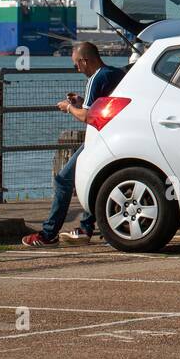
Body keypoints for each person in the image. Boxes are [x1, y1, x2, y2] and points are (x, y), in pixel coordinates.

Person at [22, 43, 125, 247]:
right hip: (116, 136)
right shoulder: (115, 73)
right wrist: (81, 100)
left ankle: (49, 233)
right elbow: (102, 104)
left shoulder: (96, 78)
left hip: (98, 139)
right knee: (97, 180)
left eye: (77, 64)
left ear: (85, 61)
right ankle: (87, 227)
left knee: (63, 180)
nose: (77, 69)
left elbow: (87, 116)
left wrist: (69, 107)